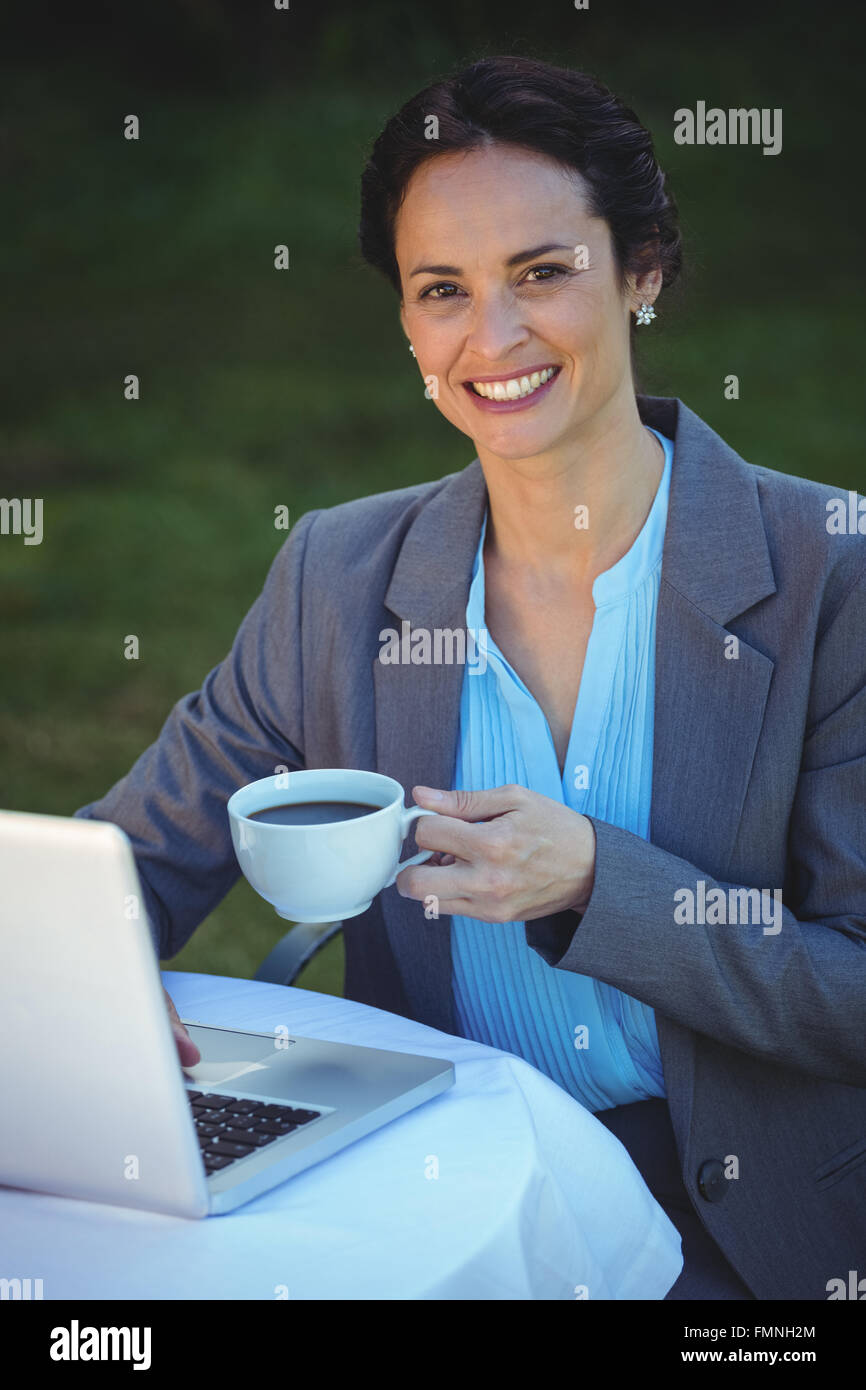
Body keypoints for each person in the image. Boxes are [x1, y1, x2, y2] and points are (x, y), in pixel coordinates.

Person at [76, 56, 866, 1300]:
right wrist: (80, 988)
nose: (491, 339)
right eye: (442, 290)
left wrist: (604, 885)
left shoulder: (832, 573)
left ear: (642, 270)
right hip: (439, 1202)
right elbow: (127, 862)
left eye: (542, 273)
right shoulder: (336, 572)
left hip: (745, 1231)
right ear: (404, 322)